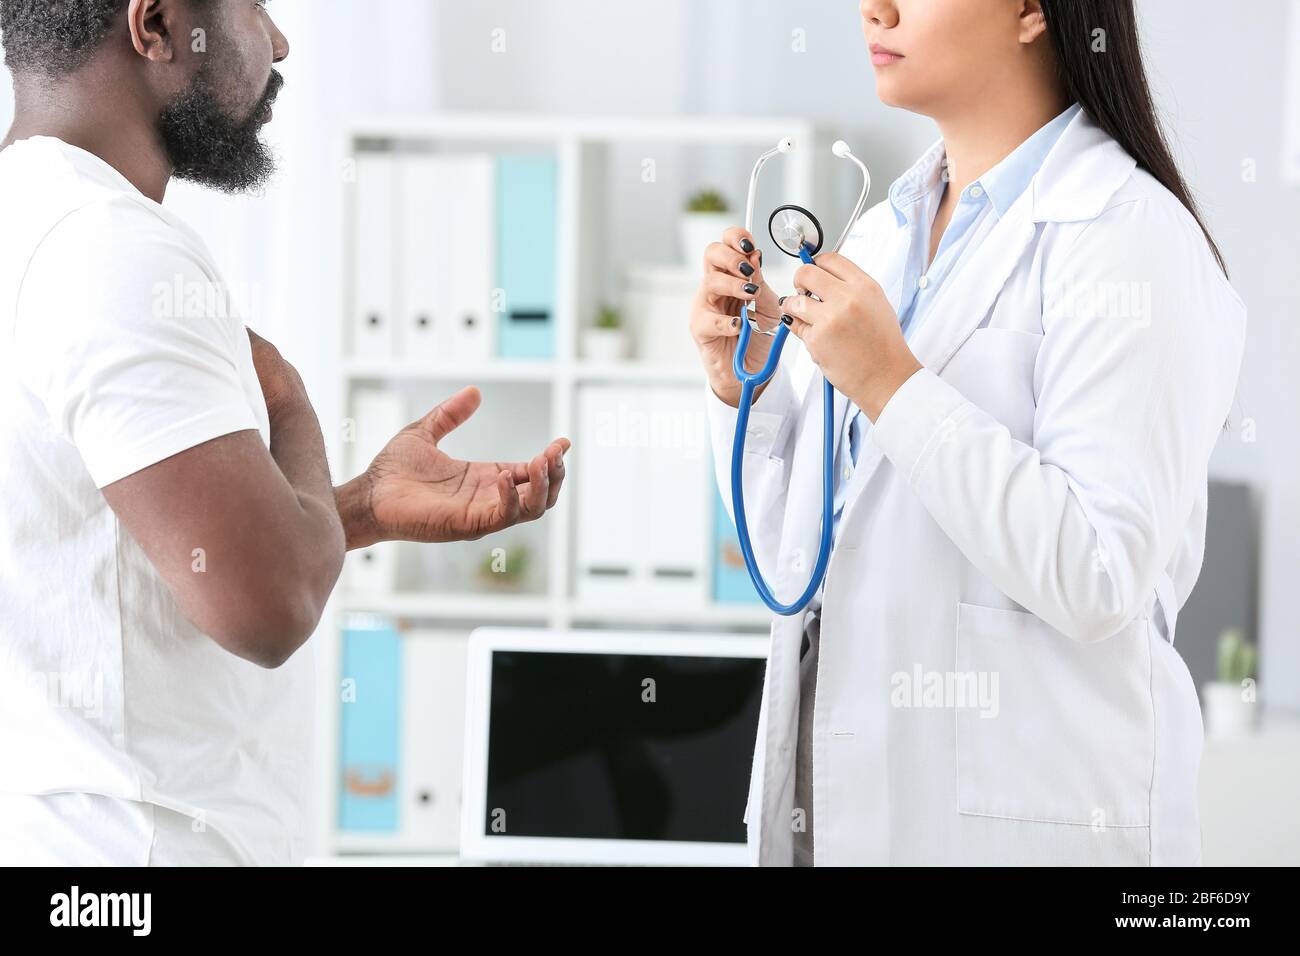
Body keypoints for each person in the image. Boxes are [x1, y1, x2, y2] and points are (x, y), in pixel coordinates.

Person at [0, 0, 569, 865]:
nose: (278, 40)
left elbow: (124, 555)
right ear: (154, 26)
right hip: (137, 846)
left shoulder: (29, 219)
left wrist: (361, 509)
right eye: (254, 5)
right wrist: (294, 404)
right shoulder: (112, 250)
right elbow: (269, 609)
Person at [692, 0, 1246, 865]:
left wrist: (889, 382)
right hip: (846, 819)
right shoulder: (882, 235)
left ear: (1032, 10)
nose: (873, 9)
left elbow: (1097, 571)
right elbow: (793, 564)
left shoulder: (1129, 239)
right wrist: (750, 389)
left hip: (1029, 828)